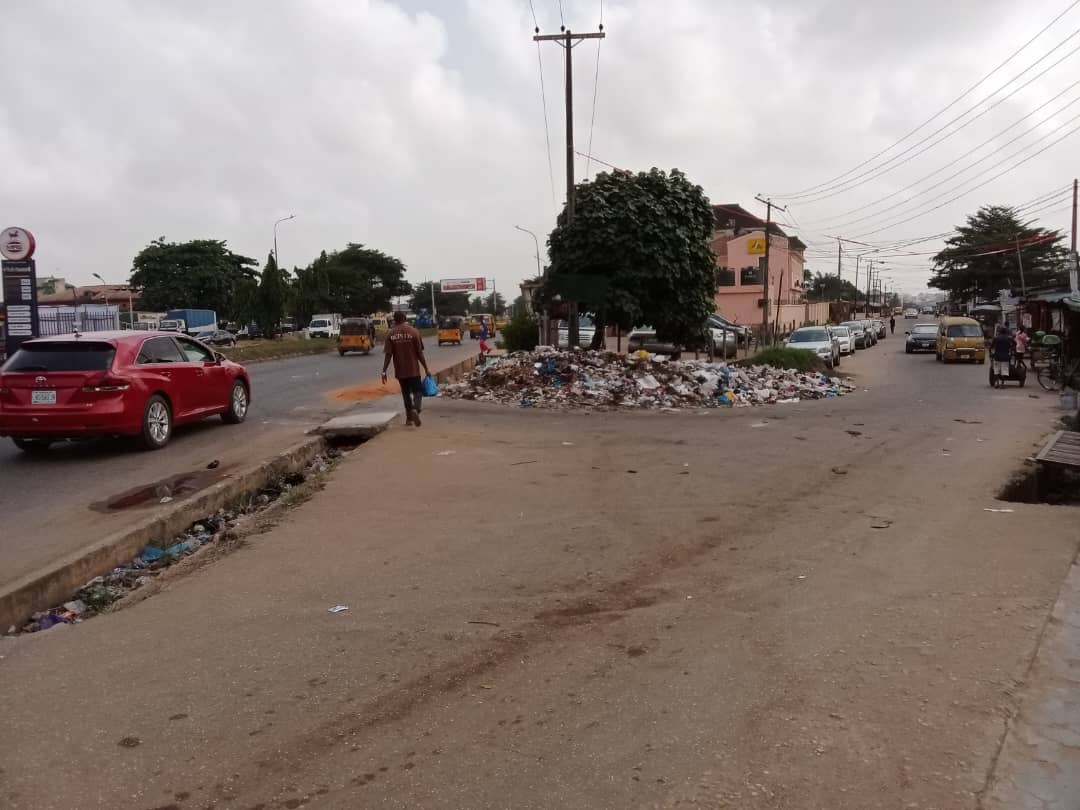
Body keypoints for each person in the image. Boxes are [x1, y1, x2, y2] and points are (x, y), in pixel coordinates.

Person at [382, 311, 430, 426]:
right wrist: (426, 368)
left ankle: (409, 419)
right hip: (413, 369)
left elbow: (388, 354)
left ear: (394, 320)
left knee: (405, 394)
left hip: (401, 371)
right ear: (405, 318)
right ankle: (416, 409)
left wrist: (384, 371)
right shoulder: (414, 332)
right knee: (418, 391)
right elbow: (419, 353)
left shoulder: (391, 334)